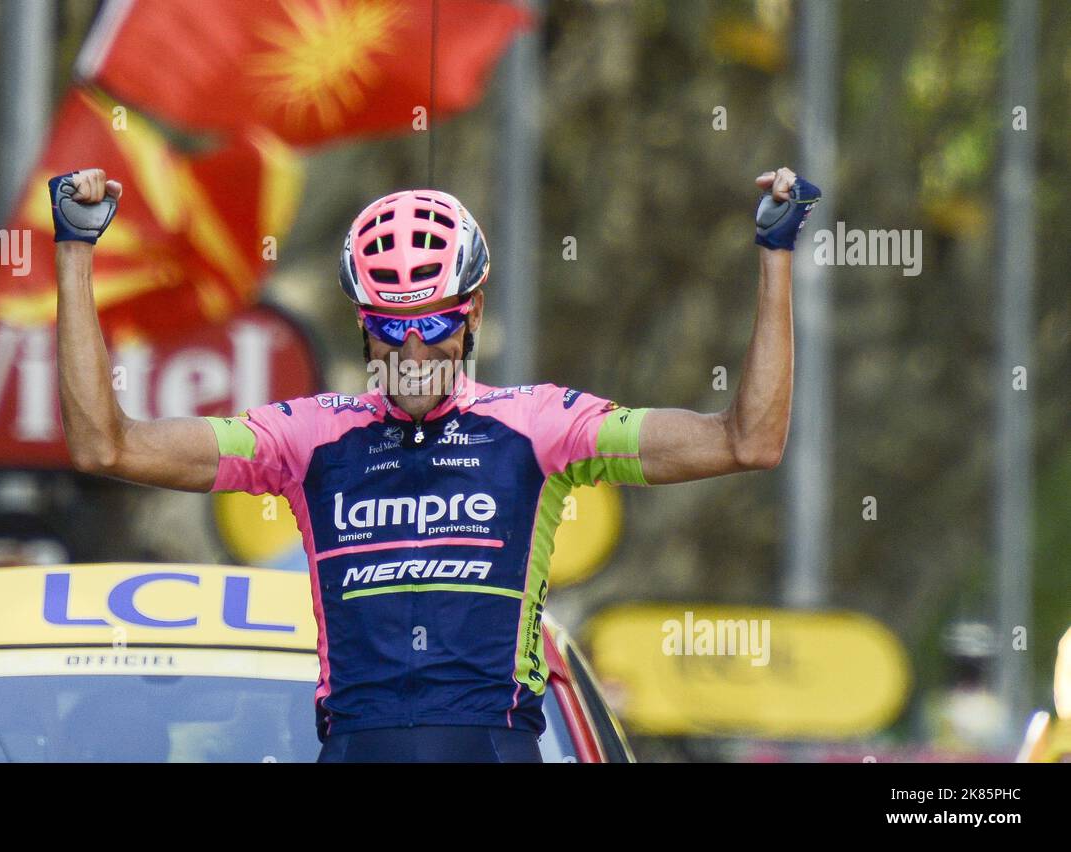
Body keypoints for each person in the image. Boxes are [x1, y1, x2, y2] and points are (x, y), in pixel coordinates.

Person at [52, 166, 820, 763]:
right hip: (357, 743)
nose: (413, 353)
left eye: (438, 323)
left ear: (475, 311)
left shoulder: (539, 424)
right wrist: (77, 251)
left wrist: (775, 255)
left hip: (493, 743)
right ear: (361, 321)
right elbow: (105, 445)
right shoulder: (306, 436)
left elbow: (745, 441)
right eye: (390, 328)